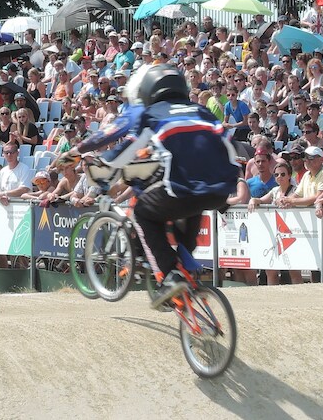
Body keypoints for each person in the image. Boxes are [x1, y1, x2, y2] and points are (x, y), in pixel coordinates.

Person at [59, 64, 237, 309]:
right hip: (218, 188)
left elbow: (118, 145)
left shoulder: (147, 112)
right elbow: (226, 145)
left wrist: (99, 168)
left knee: (144, 213)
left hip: (175, 182)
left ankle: (170, 276)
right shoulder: (202, 111)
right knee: (192, 204)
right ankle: (185, 266)